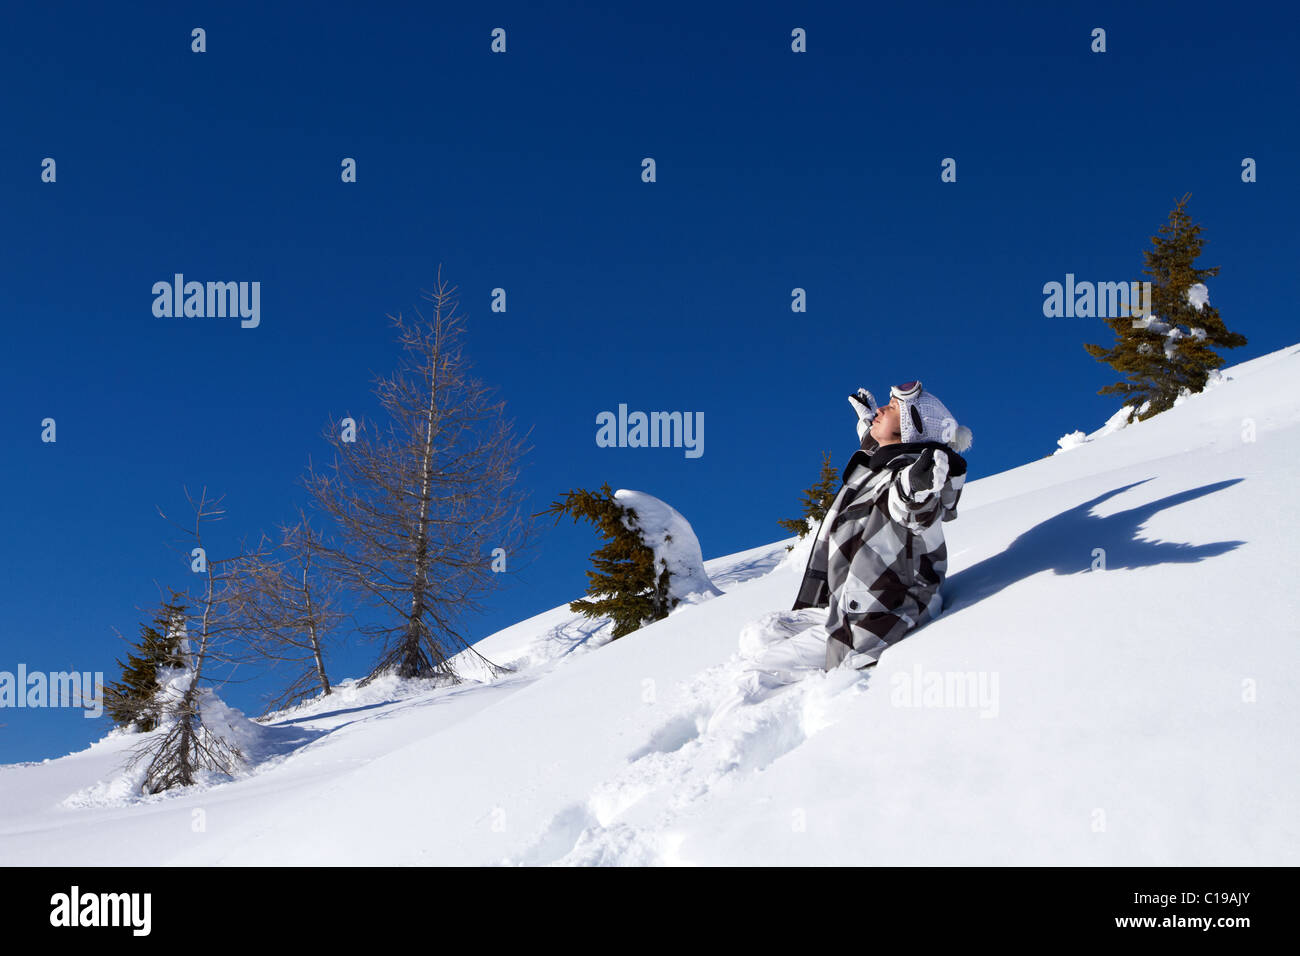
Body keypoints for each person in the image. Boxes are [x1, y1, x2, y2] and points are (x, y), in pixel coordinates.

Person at [715, 381, 972, 720]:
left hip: (882, 613)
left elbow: (912, 507)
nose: (881, 409)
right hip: (846, 602)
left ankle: (738, 735)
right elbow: (878, 448)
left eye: (893, 409)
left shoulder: (909, 477)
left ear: (912, 430)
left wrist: (918, 486)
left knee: (753, 677)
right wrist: (869, 423)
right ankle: (811, 666)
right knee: (761, 633)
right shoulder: (879, 468)